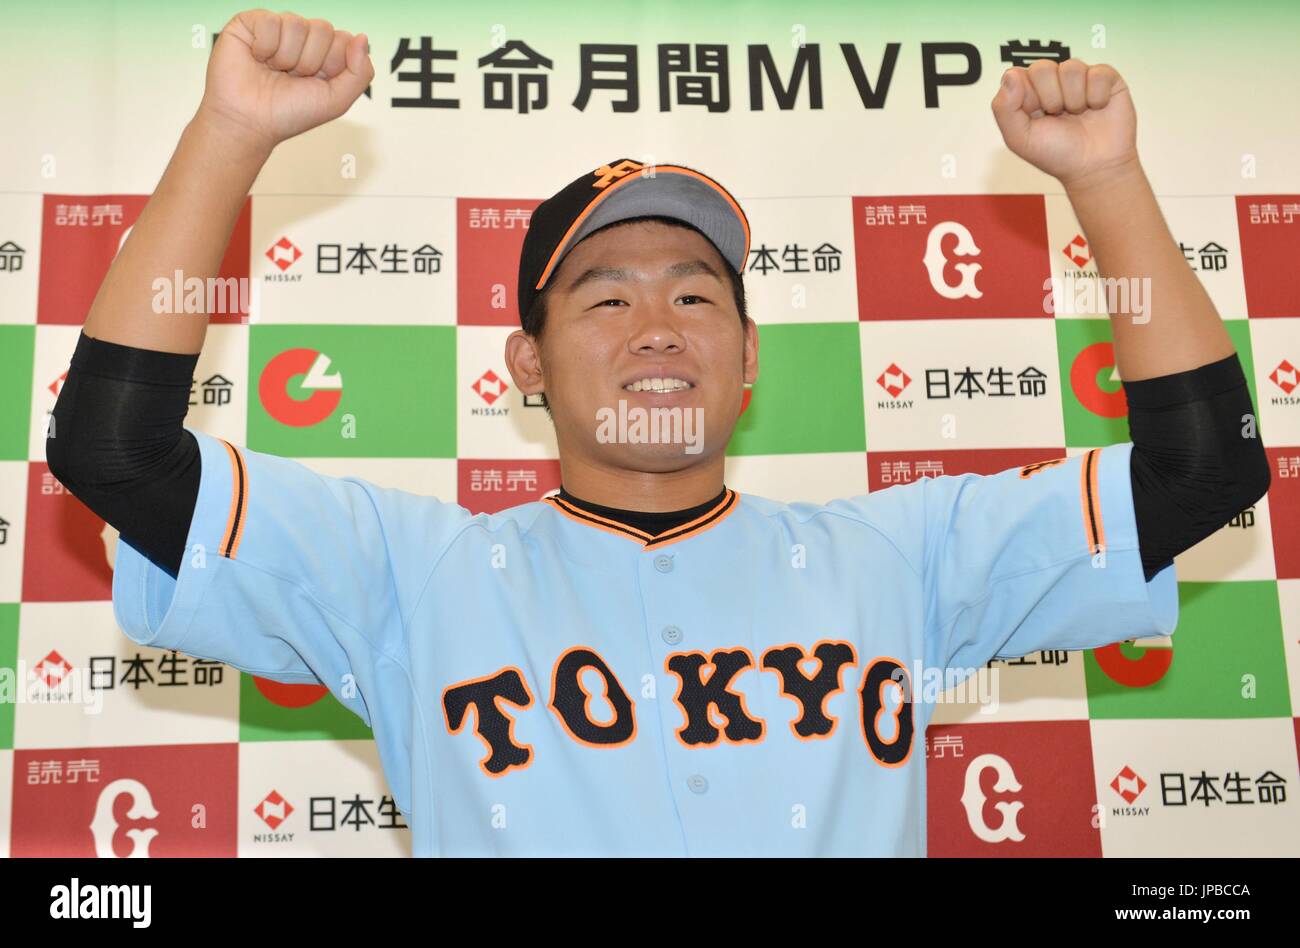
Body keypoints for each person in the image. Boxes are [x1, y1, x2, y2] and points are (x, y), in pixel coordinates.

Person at [46, 10, 1269, 856]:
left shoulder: (903, 556)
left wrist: (1104, 182)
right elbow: (116, 453)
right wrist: (230, 140)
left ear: (746, 362)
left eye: (696, 293)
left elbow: (1199, 468)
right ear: (525, 362)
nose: (656, 325)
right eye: (603, 294)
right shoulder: (409, 576)